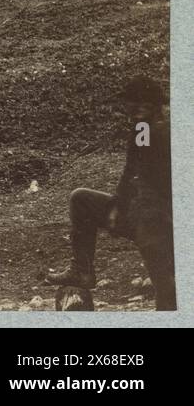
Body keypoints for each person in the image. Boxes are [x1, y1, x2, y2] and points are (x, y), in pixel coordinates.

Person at [46, 75, 174, 310]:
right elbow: (131, 172)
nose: (135, 108)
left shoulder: (167, 134)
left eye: (143, 103)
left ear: (156, 105)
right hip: (135, 213)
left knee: (167, 290)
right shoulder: (141, 130)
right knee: (81, 199)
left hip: (159, 222)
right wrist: (118, 205)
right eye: (132, 102)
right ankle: (82, 270)